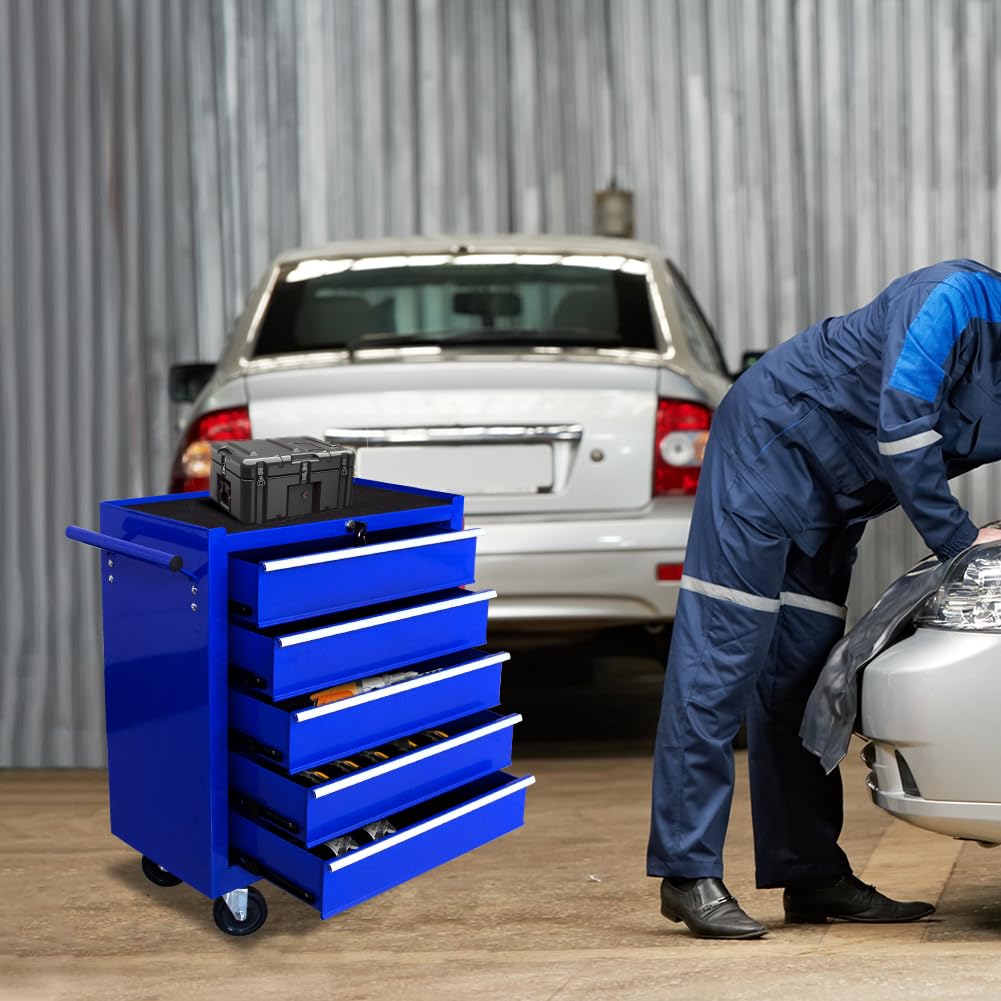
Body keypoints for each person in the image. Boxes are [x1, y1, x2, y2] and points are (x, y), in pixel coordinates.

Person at [648, 259, 1001, 939]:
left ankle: (809, 873)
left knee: (804, 680)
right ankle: (686, 871)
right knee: (721, 661)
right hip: (767, 451)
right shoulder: (951, 298)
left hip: (837, 502)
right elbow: (901, 426)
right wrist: (961, 538)